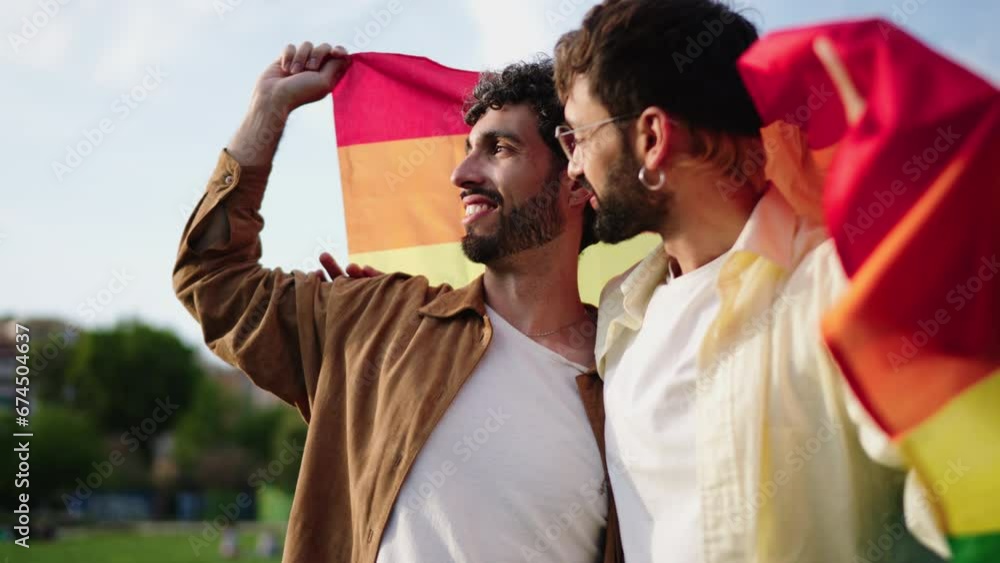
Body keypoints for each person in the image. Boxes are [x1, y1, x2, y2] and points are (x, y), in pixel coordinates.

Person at [173, 41, 622, 562]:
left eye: (499, 149)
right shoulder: (374, 320)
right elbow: (213, 281)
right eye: (468, 149)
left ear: (575, 181)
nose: (462, 174)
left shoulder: (633, 371)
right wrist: (267, 110)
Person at [552, 1, 944, 561]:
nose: (573, 166)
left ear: (652, 139)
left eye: (579, 138)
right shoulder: (621, 309)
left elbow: (967, 503)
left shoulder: (841, 290)